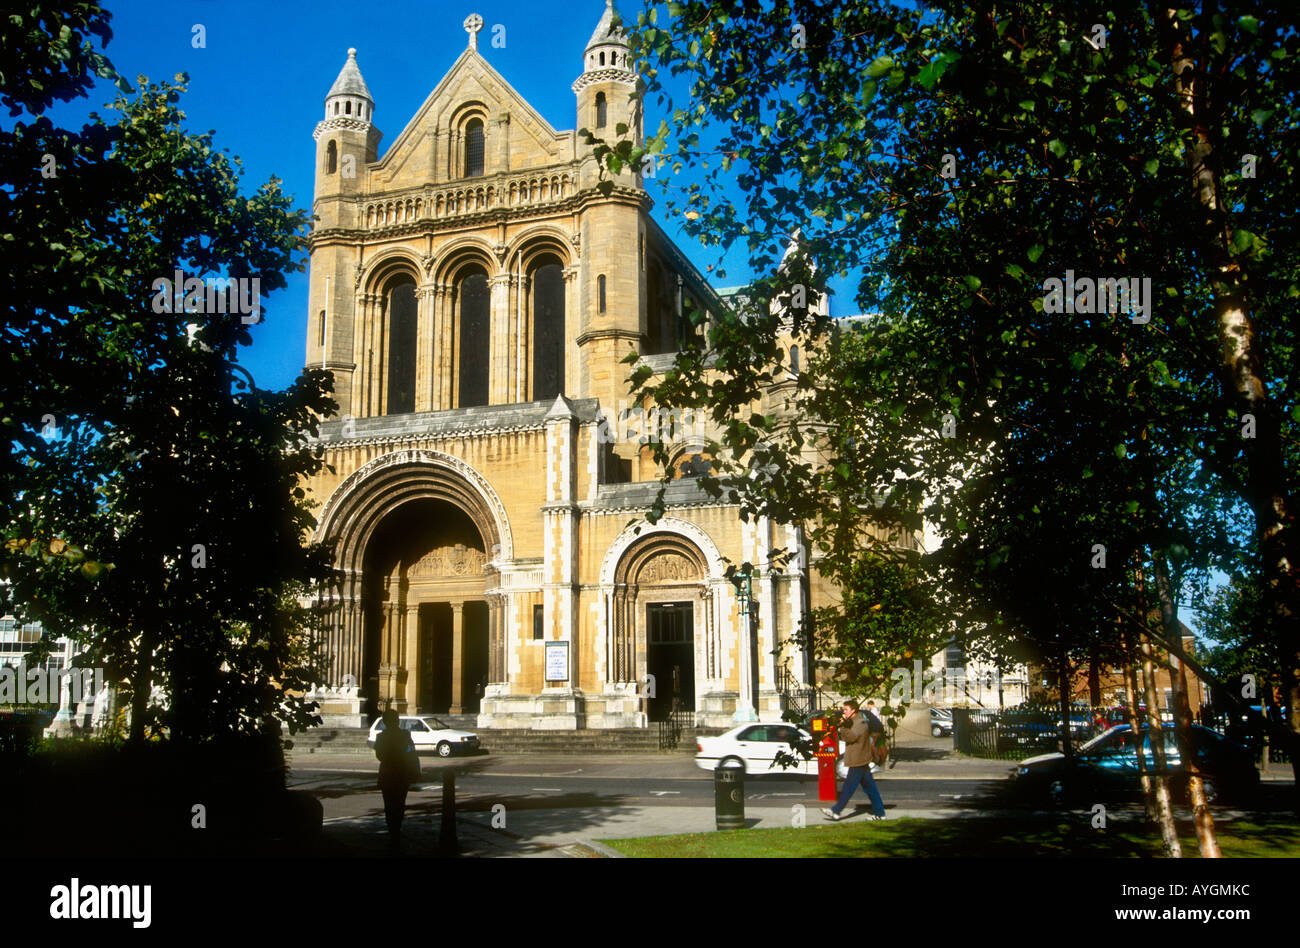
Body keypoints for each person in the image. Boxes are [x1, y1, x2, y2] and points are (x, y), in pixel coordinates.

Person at [823, 699, 886, 821]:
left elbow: (851, 737)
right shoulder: (852, 721)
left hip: (859, 759)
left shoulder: (861, 723)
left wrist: (844, 728)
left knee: (848, 787)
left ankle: (836, 811)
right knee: (870, 788)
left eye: (846, 710)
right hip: (859, 758)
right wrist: (844, 725)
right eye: (844, 709)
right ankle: (880, 813)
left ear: (853, 711)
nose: (844, 712)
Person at [374, 709, 418, 843]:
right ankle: (396, 829)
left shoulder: (381, 737)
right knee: (400, 802)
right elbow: (411, 751)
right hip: (402, 772)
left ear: (385, 722)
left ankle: (392, 829)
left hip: (387, 772)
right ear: (397, 720)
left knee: (388, 803)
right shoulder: (404, 735)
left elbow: (379, 755)